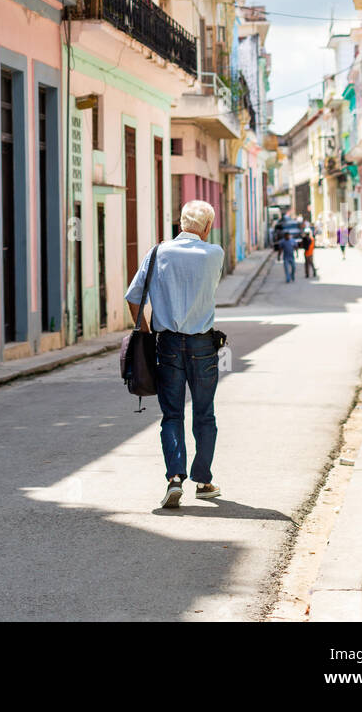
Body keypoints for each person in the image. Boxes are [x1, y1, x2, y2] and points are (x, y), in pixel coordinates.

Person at [125, 200, 225, 509]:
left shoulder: (157, 253)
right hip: (203, 347)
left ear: (179, 224)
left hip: (166, 344)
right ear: (207, 228)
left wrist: (143, 331)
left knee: (172, 414)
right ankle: (204, 480)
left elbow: (133, 297)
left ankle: (174, 479)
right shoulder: (215, 254)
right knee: (204, 414)